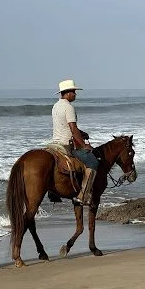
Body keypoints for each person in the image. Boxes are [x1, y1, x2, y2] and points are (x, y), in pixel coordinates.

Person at [51, 79, 100, 207]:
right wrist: (84, 145)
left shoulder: (55, 106)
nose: (75, 94)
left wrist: (81, 133)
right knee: (93, 162)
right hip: (66, 145)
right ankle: (83, 196)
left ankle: (53, 192)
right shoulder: (69, 107)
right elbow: (72, 129)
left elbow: (64, 125)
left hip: (55, 143)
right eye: (73, 92)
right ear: (67, 93)